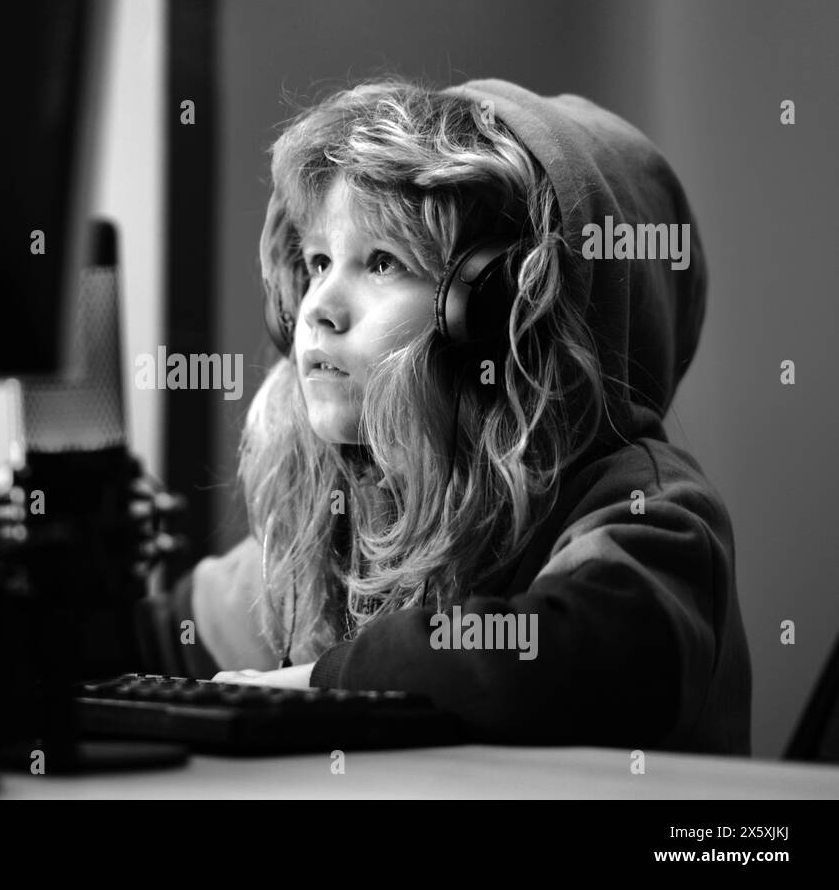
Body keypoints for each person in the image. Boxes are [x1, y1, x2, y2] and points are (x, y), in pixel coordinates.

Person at [165, 76, 751, 754]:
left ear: (497, 314)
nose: (319, 304)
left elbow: (576, 653)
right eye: (319, 260)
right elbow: (172, 626)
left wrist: (324, 681)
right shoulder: (352, 502)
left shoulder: (642, 504)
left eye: (381, 261)